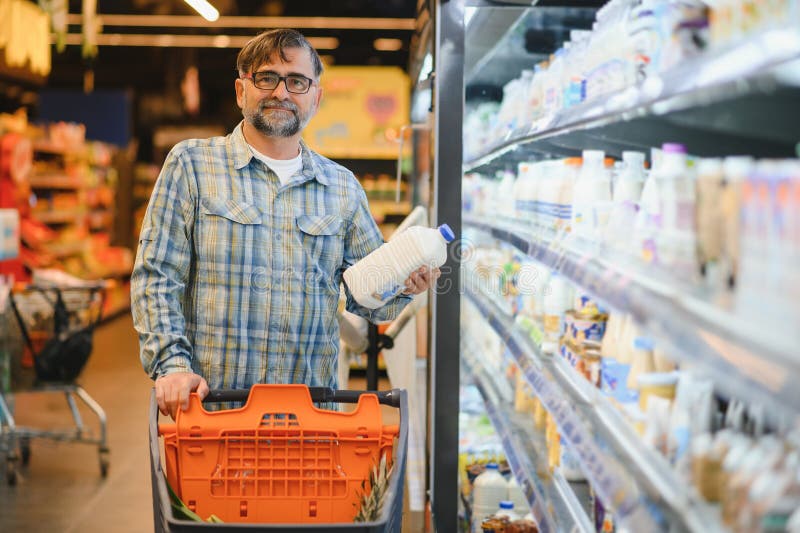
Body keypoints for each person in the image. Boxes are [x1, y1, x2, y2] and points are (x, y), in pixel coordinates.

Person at [131, 29, 440, 418]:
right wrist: (172, 366)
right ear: (242, 91)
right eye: (266, 78)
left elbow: (370, 299)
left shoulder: (341, 187)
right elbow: (157, 276)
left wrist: (405, 285)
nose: (281, 92)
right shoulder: (192, 165)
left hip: (308, 419)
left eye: (296, 81)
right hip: (213, 415)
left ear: (316, 97)